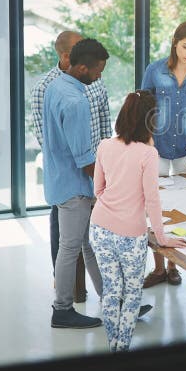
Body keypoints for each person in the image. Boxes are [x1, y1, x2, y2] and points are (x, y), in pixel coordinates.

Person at [90, 90, 186, 352]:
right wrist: (162, 237)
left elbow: (97, 190)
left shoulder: (104, 145)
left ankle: (113, 349)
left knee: (111, 291)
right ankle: (122, 350)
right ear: (151, 120)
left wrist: (115, 203)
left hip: (99, 227)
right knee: (132, 294)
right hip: (130, 235)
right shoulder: (148, 154)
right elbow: (152, 200)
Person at [31, 31, 112, 302]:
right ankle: (63, 308)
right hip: (75, 186)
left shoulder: (57, 87)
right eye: (98, 71)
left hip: (61, 181)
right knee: (70, 248)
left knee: (88, 246)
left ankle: (112, 299)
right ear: (80, 67)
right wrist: (108, 184)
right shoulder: (76, 102)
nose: (100, 76)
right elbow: (84, 159)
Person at [140, 21, 186, 288]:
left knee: (183, 209)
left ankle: (174, 266)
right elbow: (142, 104)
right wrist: (146, 138)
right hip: (155, 147)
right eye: (185, 46)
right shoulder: (155, 70)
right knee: (156, 207)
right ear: (175, 42)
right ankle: (158, 268)